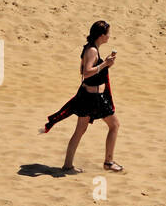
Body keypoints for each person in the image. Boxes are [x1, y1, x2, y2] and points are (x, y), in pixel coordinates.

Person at [40, 20, 122, 174]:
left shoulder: (93, 48)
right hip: (91, 98)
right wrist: (104, 64)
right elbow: (86, 72)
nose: (109, 36)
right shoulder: (92, 50)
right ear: (101, 35)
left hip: (96, 97)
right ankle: (105, 162)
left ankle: (78, 164)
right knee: (94, 128)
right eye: (108, 34)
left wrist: (106, 64)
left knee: (111, 125)